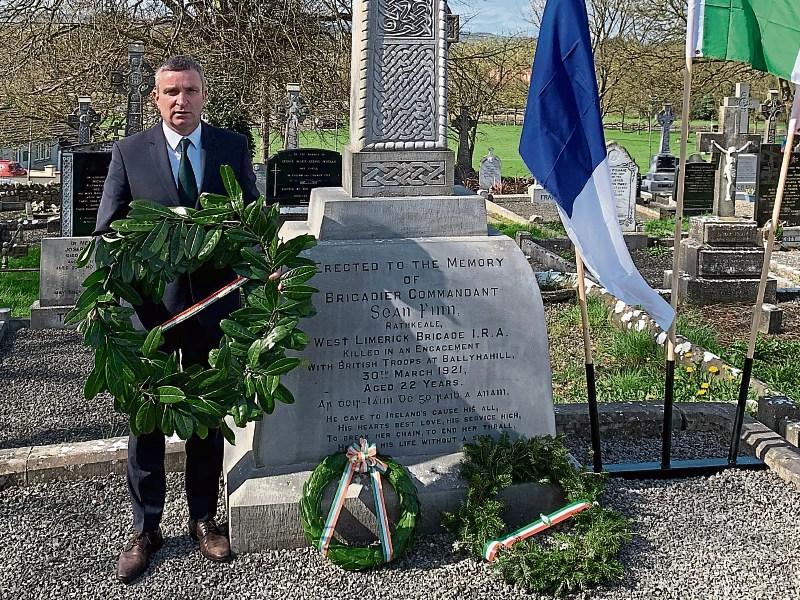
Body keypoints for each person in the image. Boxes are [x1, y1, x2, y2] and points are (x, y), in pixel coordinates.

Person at [94, 55, 259, 584]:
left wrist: (263, 270)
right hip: (152, 314)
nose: (180, 100)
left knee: (207, 420)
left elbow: (251, 220)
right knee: (146, 421)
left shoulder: (233, 148)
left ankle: (204, 518)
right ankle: (146, 527)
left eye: (190, 90)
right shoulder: (129, 152)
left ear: (203, 95)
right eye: (171, 91)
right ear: (156, 98)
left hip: (216, 310)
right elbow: (108, 230)